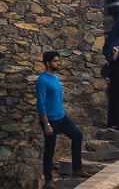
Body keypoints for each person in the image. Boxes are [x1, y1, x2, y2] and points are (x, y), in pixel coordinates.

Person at [36, 51, 89, 187]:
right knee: (50, 149)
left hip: (61, 116)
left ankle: (77, 169)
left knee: (77, 135)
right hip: (50, 120)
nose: (58, 63)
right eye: (55, 61)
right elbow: (40, 104)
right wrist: (46, 124)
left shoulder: (55, 78)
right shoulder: (42, 80)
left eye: (58, 61)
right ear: (47, 63)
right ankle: (48, 180)